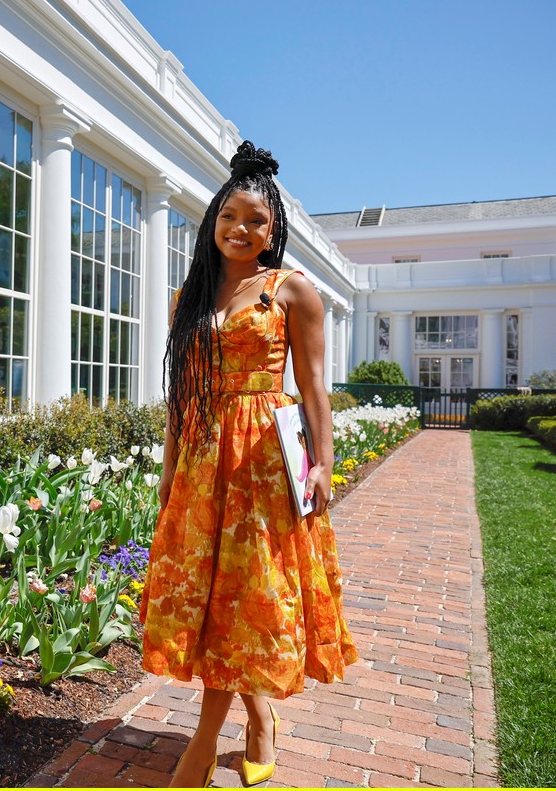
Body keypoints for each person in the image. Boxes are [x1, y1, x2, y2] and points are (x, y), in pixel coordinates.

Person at [139, 141, 357, 787]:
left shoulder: (291, 289)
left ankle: (199, 753)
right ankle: (259, 718)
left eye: (256, 220)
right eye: (230, 216)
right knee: (218, 603)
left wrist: (323, 466)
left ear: (273, 230)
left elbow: (315, 389)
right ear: (213, 220)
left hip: (265, 458)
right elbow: (180, 395)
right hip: (205, 456)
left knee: (250, 597)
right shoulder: (191, 295)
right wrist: (170, 470)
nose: (241, 229)